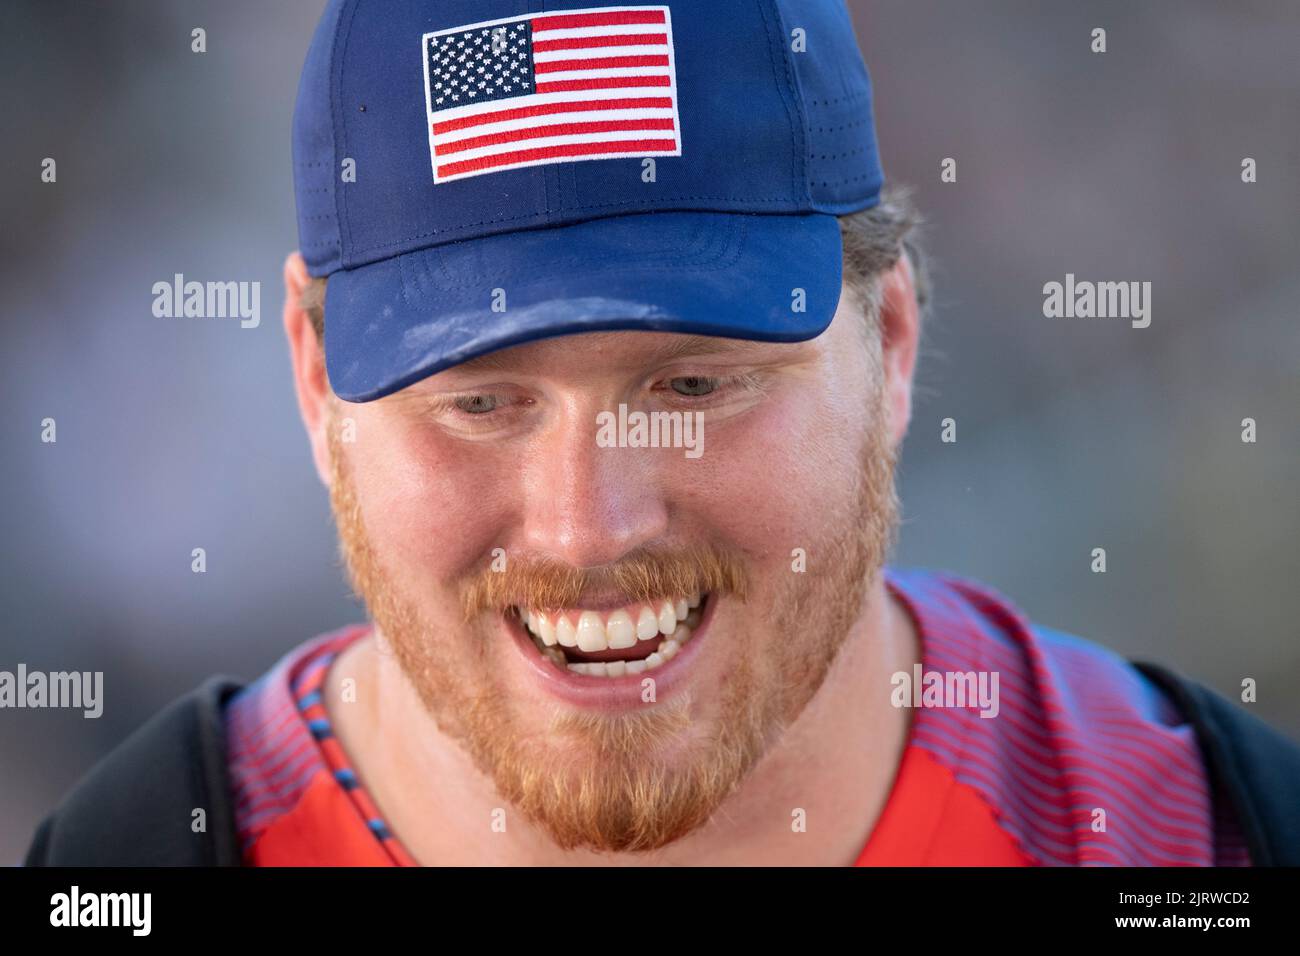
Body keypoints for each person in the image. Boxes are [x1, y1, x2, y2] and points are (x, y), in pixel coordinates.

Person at [26, 0, 1300, 867]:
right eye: (479, 398)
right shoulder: (133, 863)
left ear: (895, 345)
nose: (587, 523)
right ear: (315, 386)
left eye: (694, 384)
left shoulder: (1198, 834)